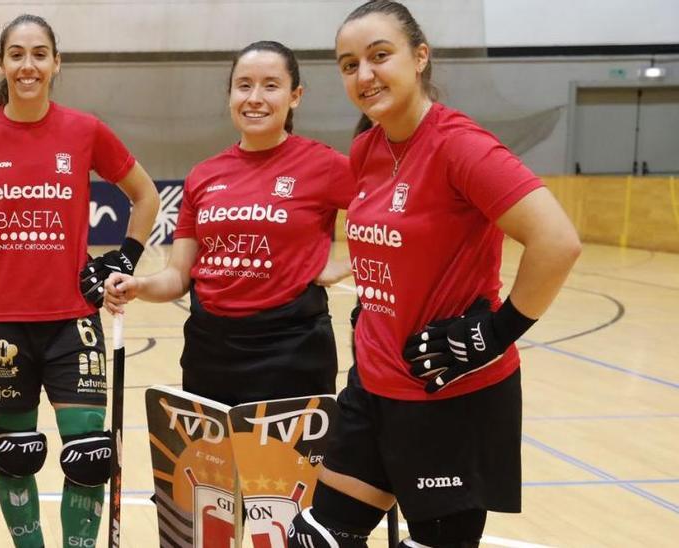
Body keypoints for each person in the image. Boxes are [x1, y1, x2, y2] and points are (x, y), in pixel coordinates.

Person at [287, 2, 582, 547]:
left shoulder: (460, 146)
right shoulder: (367, 149)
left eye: (380, 56)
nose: (365, 75)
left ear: (420, 57)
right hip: (373, 385)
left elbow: (557, 241)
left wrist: (496, 333)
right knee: (316, 537)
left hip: (450, 394)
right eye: (349, 64)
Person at [0, 14, 160, 548]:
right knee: (15, 453)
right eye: (17, 54)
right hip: (1, 323)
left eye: (40, 53)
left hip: (73, 319)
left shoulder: (85, 130)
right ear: (1, 64)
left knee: (90, 457)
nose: (29, 65)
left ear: (56, 63)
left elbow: (145, 195)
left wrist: (124, 259)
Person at [104, 41, 355, 407]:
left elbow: (391, 217)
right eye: (244, 85)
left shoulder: (325, 166)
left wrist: (350, 265)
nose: (255, 97)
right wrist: (140, 285)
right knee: (210, 465)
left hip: (292, 351)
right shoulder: (203, 175)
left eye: (271, 85)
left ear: (295, 95)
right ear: (230, 95)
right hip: (210, 352)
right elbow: (178, 275)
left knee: (286, 467)